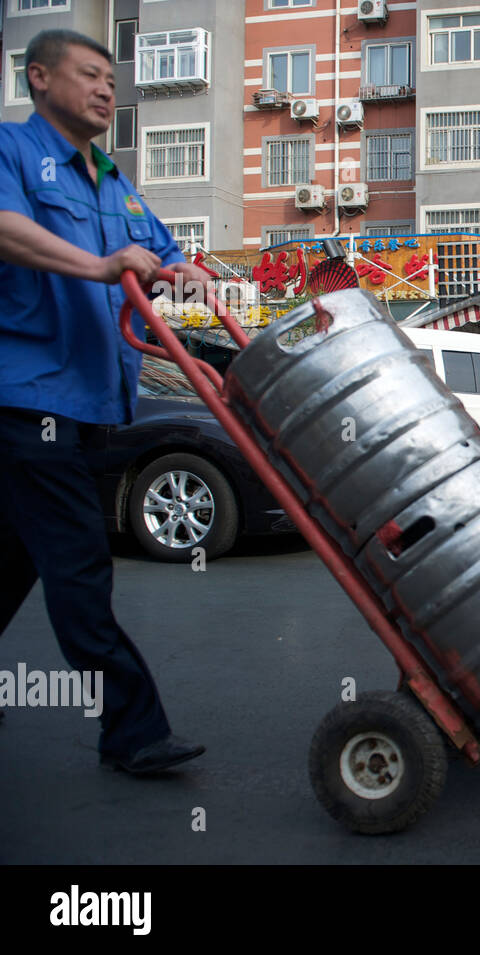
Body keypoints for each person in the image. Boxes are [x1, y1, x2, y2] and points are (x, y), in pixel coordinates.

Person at [0, 30, 213, 772]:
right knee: (81, 566)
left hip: (95, 403)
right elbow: (3, 229)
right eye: (89, 74)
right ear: (39, 78)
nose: (105, 89)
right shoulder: (13, 152)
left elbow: (156, 249)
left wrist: (184, 270)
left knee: (20, 557)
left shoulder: (115, 180)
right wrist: (100, 264)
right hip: (29, 400)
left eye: (112, 82)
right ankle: (132, 729)